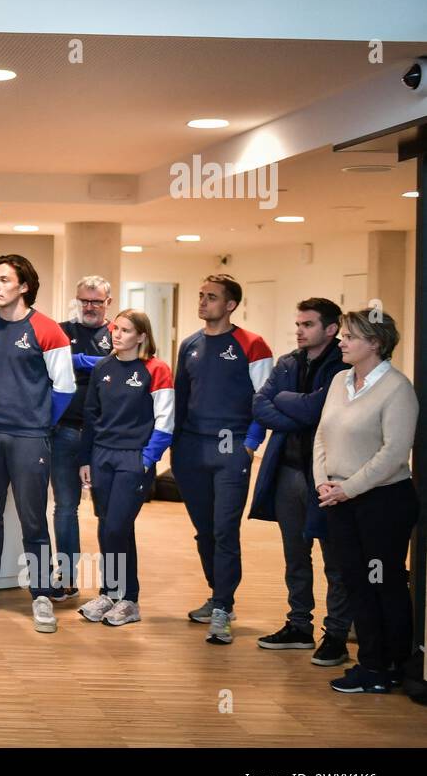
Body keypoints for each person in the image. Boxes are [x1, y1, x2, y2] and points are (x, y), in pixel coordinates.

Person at [0, 254, 75, 634]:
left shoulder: (48, 330)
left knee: (33, 520)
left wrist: (39, 422)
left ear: (24, 286)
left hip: (30, 436)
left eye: (4, 280)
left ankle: (41, 595)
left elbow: (65, 387)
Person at [313, 309, 419, 694]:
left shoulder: (397, 388)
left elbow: (394, 453)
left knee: (382, 582)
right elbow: (322, 436)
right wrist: (324, 483)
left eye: (350, 336)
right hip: (339, 501)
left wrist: (349, 487)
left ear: (375, 343)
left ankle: (389, 666)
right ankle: (370, 664)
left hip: (382, 504)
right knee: (356, 582)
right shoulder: (341, 380)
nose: (341, 341)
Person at [171, 274, 273, 645]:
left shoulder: (252, 345)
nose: (202, 302)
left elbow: (265, 400)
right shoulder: (190, 345)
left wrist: (250, 444)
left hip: (231, 448)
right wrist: (174, 445)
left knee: (225, 529)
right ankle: (219, 596)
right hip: (191, 450)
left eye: (211, 297)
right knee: (205, 531)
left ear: (230, 305)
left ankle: (222, 608)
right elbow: (180, 397)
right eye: (200, 295)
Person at [248, 298, 351, 666]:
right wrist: (300, 411)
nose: (299, 330)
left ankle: (337, 634)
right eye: (298, 323)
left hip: (327, 476)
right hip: (288, 471)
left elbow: (316, 411)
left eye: (307, 324)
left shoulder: (344, 368)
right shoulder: (287, 362)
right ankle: (299, 626)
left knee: (335, 559)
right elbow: (260, 404)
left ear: (330, 329)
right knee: (296, 556)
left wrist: (290, 406)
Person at [77, 309, 173, 627]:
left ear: (142, 336)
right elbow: (91, 417)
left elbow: (166, 421)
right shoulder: (104, 366)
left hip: (133, 457)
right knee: (109, 527)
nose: (117, 334)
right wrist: (85, 459)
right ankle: (113, 594)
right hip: (102, 455)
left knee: (117, 525)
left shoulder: (156, 370)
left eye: (126, 330)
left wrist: (147, 459)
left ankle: (128, 599)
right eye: (115, 328)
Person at [51, 275, 114, 601]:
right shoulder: (62, 331)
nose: (89, 307)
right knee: (65, 507)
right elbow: (48, 366)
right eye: (84, 301)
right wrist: (93, 364)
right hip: (64, 433)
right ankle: (68, 577)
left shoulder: (119, 333)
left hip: (105, 438)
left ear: (108, 304)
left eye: (97, 302)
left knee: (109, 512)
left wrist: (81, 361)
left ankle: (112, 585)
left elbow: (120, 366)